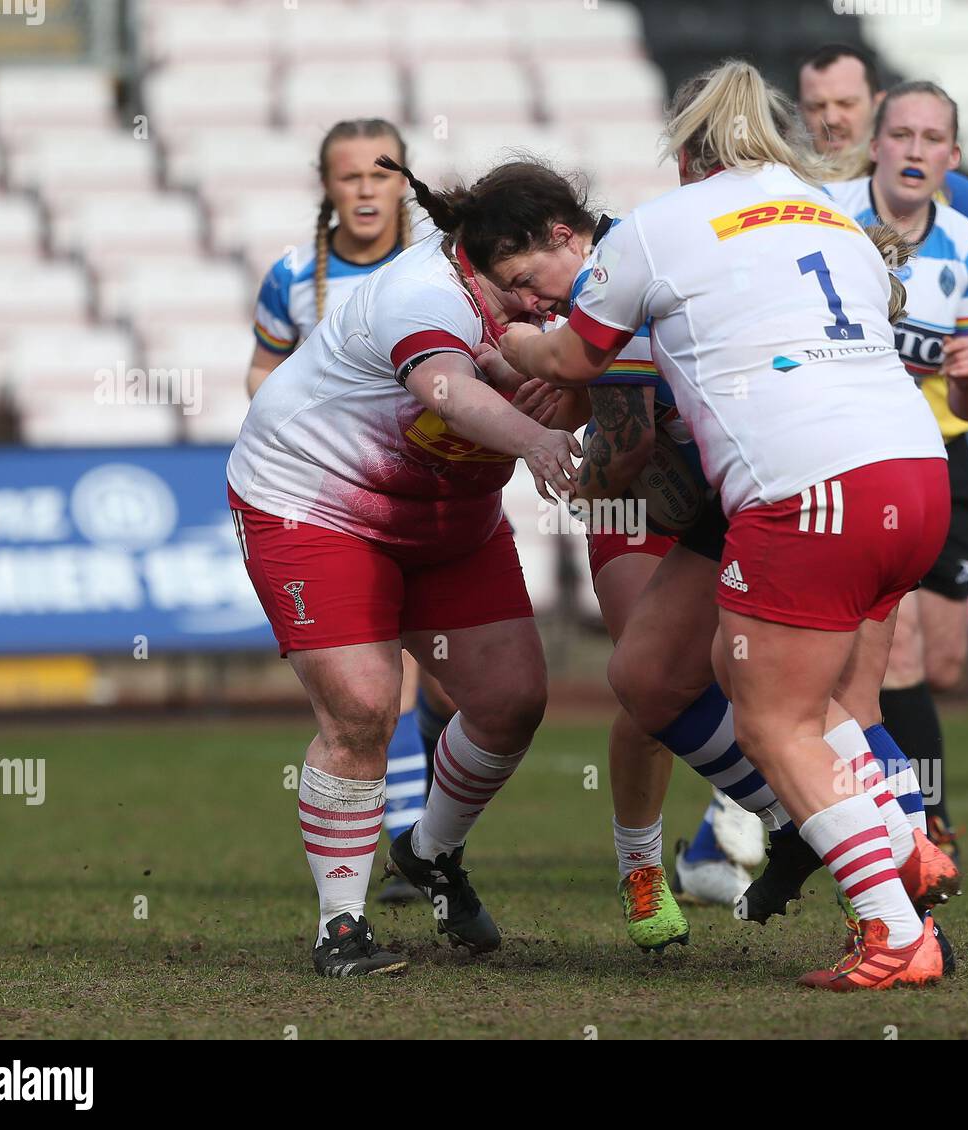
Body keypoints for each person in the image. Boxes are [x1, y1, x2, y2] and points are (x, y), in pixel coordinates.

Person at [498, 60, 955, 990]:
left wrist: (501, 340)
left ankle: (894, 922)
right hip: (913, 474)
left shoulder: (657, 228)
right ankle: (897, 839)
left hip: (809, 486)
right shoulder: (828, 211)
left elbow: (571, 356)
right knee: (654, 672)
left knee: (777, 722)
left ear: (687, 153)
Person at [227, 157, 581, 976]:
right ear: (490, 256)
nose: (544, 305)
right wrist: (538, 438)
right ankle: (341, 926)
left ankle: (428, 852)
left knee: (511, 701)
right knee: (361, 707)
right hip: (313, 503)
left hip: (449, 517)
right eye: (526, 288)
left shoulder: (576, 276)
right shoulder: (421, 290)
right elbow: (449, 390)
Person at [799, 44, 968, 854]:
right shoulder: (825, 215)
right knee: (885, 660)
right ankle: (916, 827)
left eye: (931, 139)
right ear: (877, 141)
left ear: (952, 158)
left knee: (941, 662)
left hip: (942, 458)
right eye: (901, 134)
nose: (914, 149)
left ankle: (879, 810)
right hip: (856, 463)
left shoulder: (967, 243)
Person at [242, 119, 451, 901]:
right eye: (349, 177)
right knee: (375, 675)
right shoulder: (294, 276)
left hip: (436, 491)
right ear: (326, 186)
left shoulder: (436, 265)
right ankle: (402, 842)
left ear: (404, 183)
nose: (365, 190)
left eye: (380, 174)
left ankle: (425, 826)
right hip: (334, 496)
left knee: (459, 689)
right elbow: (262, 373)